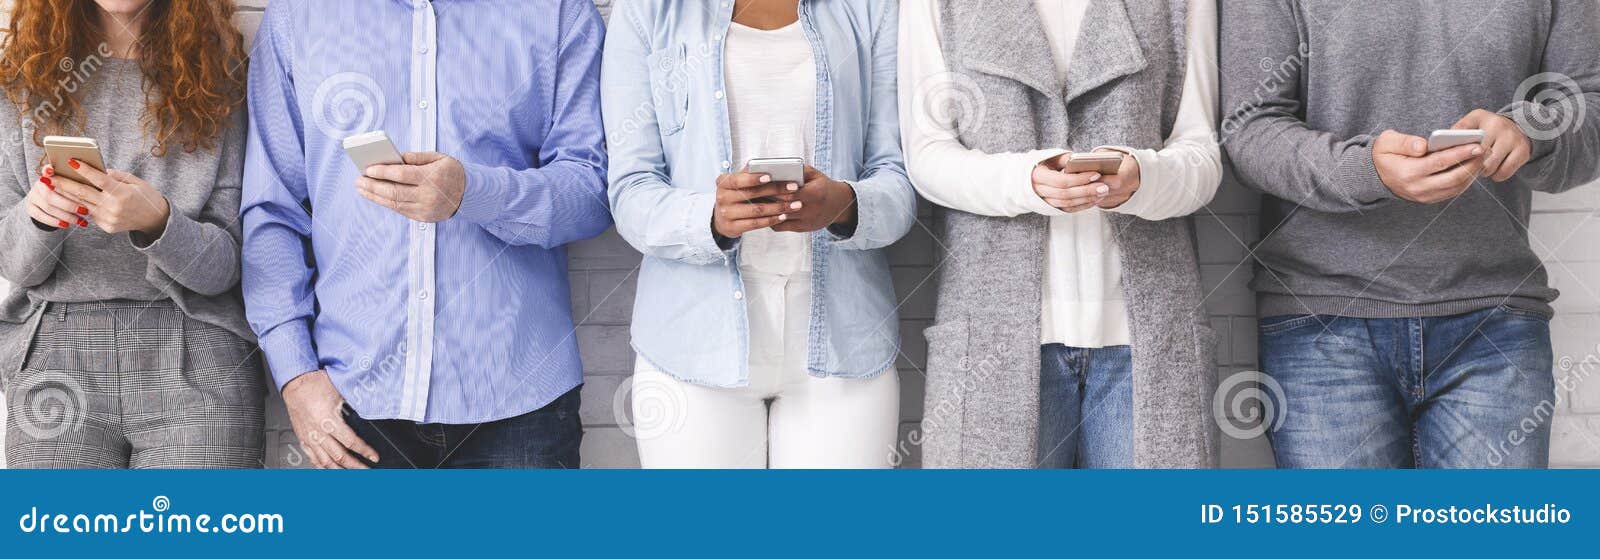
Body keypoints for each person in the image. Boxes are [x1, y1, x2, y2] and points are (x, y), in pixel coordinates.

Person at [1221, 1, 1600, 468]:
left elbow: (1590, 106)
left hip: (1494, 319)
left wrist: (1529, 133)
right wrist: (1364, 171)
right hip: (1322, 321)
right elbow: (1248, 129)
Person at [242, 0, 610, 469]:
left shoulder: (558, 12)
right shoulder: (298, 17)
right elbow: (272, 211)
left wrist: (472, 194)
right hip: (354, 402)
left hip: (521, 403)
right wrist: (296, 376)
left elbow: (592, 191)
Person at [900, 0, 1222, 468]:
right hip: (995, 335)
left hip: (1149, 336)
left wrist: (1142, 179)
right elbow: (927, 157)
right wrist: (1024, 180)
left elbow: (1202, 153)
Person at [604, 0, 915, 468]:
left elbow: (899, 182)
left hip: (844, 344)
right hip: (692, 345)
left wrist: (842, 204)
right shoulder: (649, 11)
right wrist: (709, 218)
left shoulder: (870, 10)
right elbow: (630, 190)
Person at [0, 0, 260, 468]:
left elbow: (226, 267)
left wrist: (159, 221)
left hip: (196, 353)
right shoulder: (22, 81)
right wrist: (38, 216)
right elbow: (17, 267)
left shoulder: (221, 82)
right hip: (56, 353)